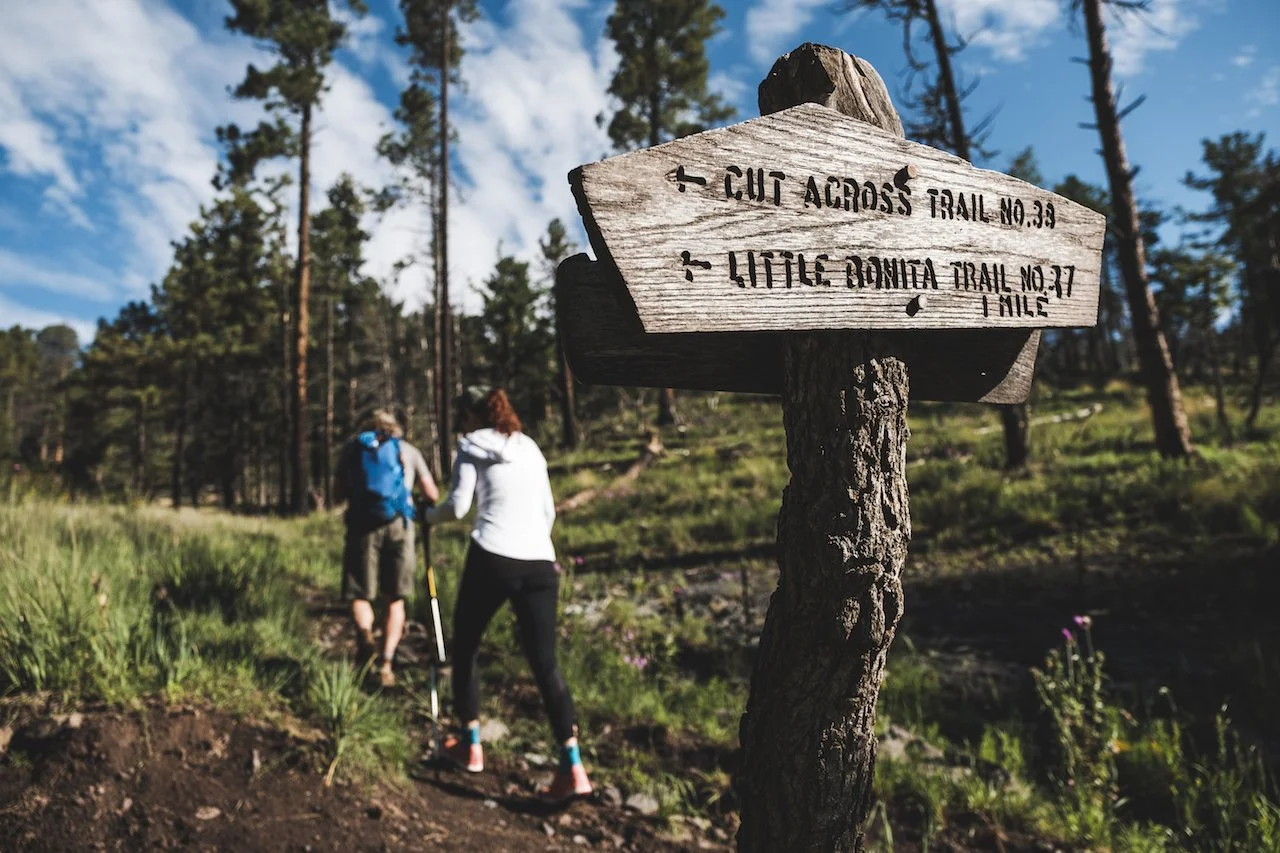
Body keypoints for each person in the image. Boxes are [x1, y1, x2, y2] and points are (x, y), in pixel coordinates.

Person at [424, 387, 592, 804]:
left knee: (466, 645)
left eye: (460, 417)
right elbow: (548, 511)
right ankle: (573, 768)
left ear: (468, 416)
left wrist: (425, 516)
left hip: (493, 556)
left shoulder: (469, 445)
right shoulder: (530, 447)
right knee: (545, 663)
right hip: (539, 562)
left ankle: (471, 745)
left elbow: (459, 507)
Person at [335, 408, 439, 688]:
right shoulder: (407, 450)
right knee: (395, 597)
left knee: (360, 593)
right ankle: (386, 664)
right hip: (400, 527)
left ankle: (367, 638)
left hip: (361, 526)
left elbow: (338, 491)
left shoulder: (353, 449)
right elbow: (432, 494)